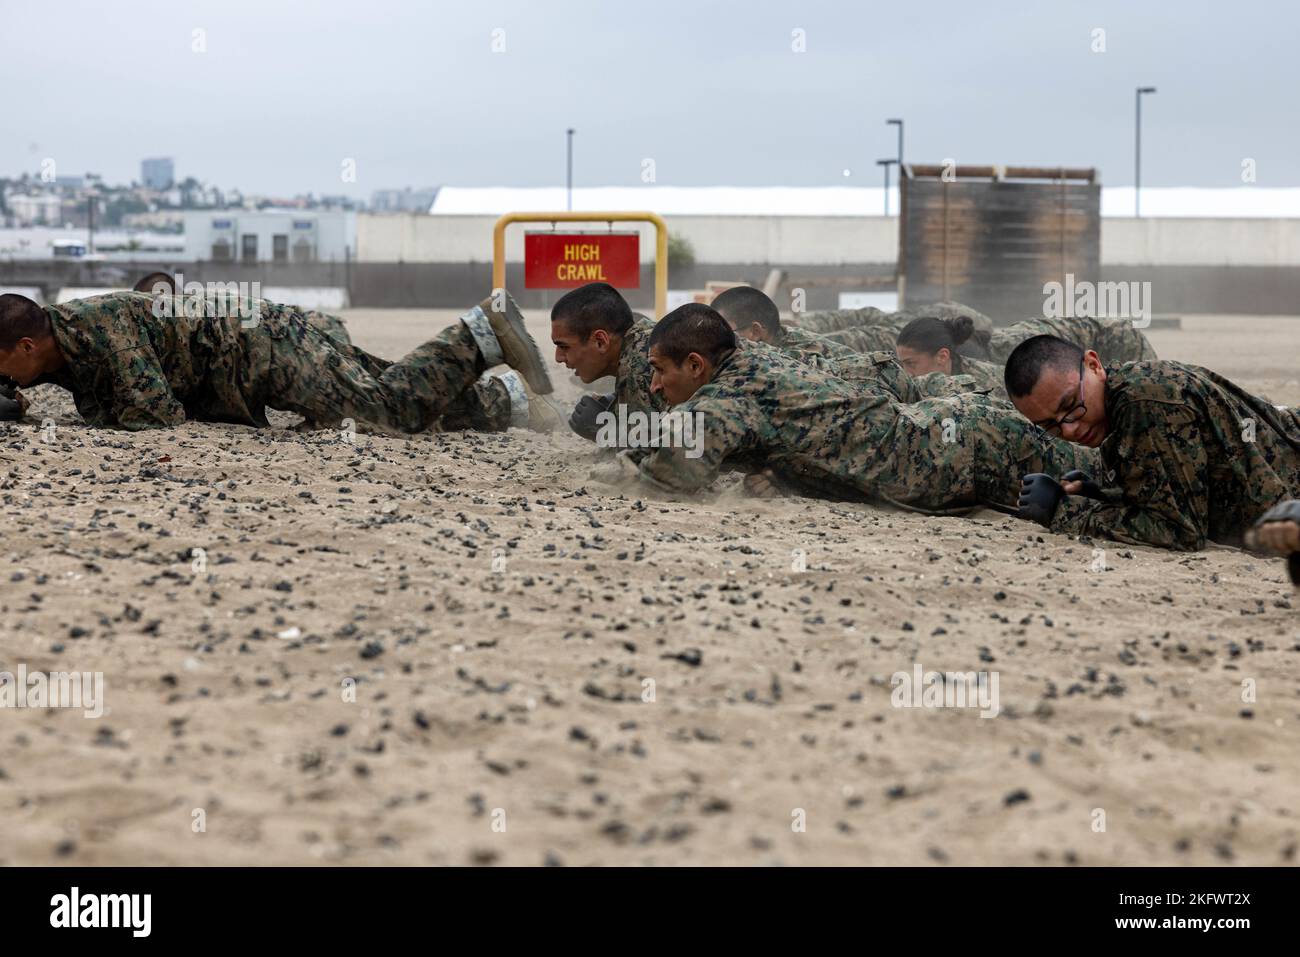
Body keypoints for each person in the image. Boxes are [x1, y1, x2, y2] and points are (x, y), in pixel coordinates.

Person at [600, 304, 1097, 512]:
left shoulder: (728, 398)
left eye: (662, 372)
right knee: (1094, 475)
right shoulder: (751, 360)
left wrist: (617, 453)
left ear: (695, 365)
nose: (658, 387)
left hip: (962, 448)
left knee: (1110, 474)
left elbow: (666, 481)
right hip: (957, 432)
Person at [0, 289, 555, 434]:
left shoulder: (101, 327)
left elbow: (155, 414)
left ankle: (477, 333)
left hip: (267, 349)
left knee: (387, 413)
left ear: (28, 346)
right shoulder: (62, 342)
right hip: (261, 345)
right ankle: (507, 402)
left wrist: (76, 418)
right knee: (386, 388)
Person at [1003, 334, 1300, 552]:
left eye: (1070, 404)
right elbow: (1184, 491)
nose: (1068, 430)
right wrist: (1106, 496)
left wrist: (1062, 511)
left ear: (1094, 365)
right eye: (1050, 425)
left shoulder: (1144, 403)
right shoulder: (1120, 399)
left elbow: (1179, 532)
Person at [895, 315, 1006, 397]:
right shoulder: (904, 384)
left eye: (911, 363)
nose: (906, 373)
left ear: (942, 357)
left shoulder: (988, 385)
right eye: (902, 364)